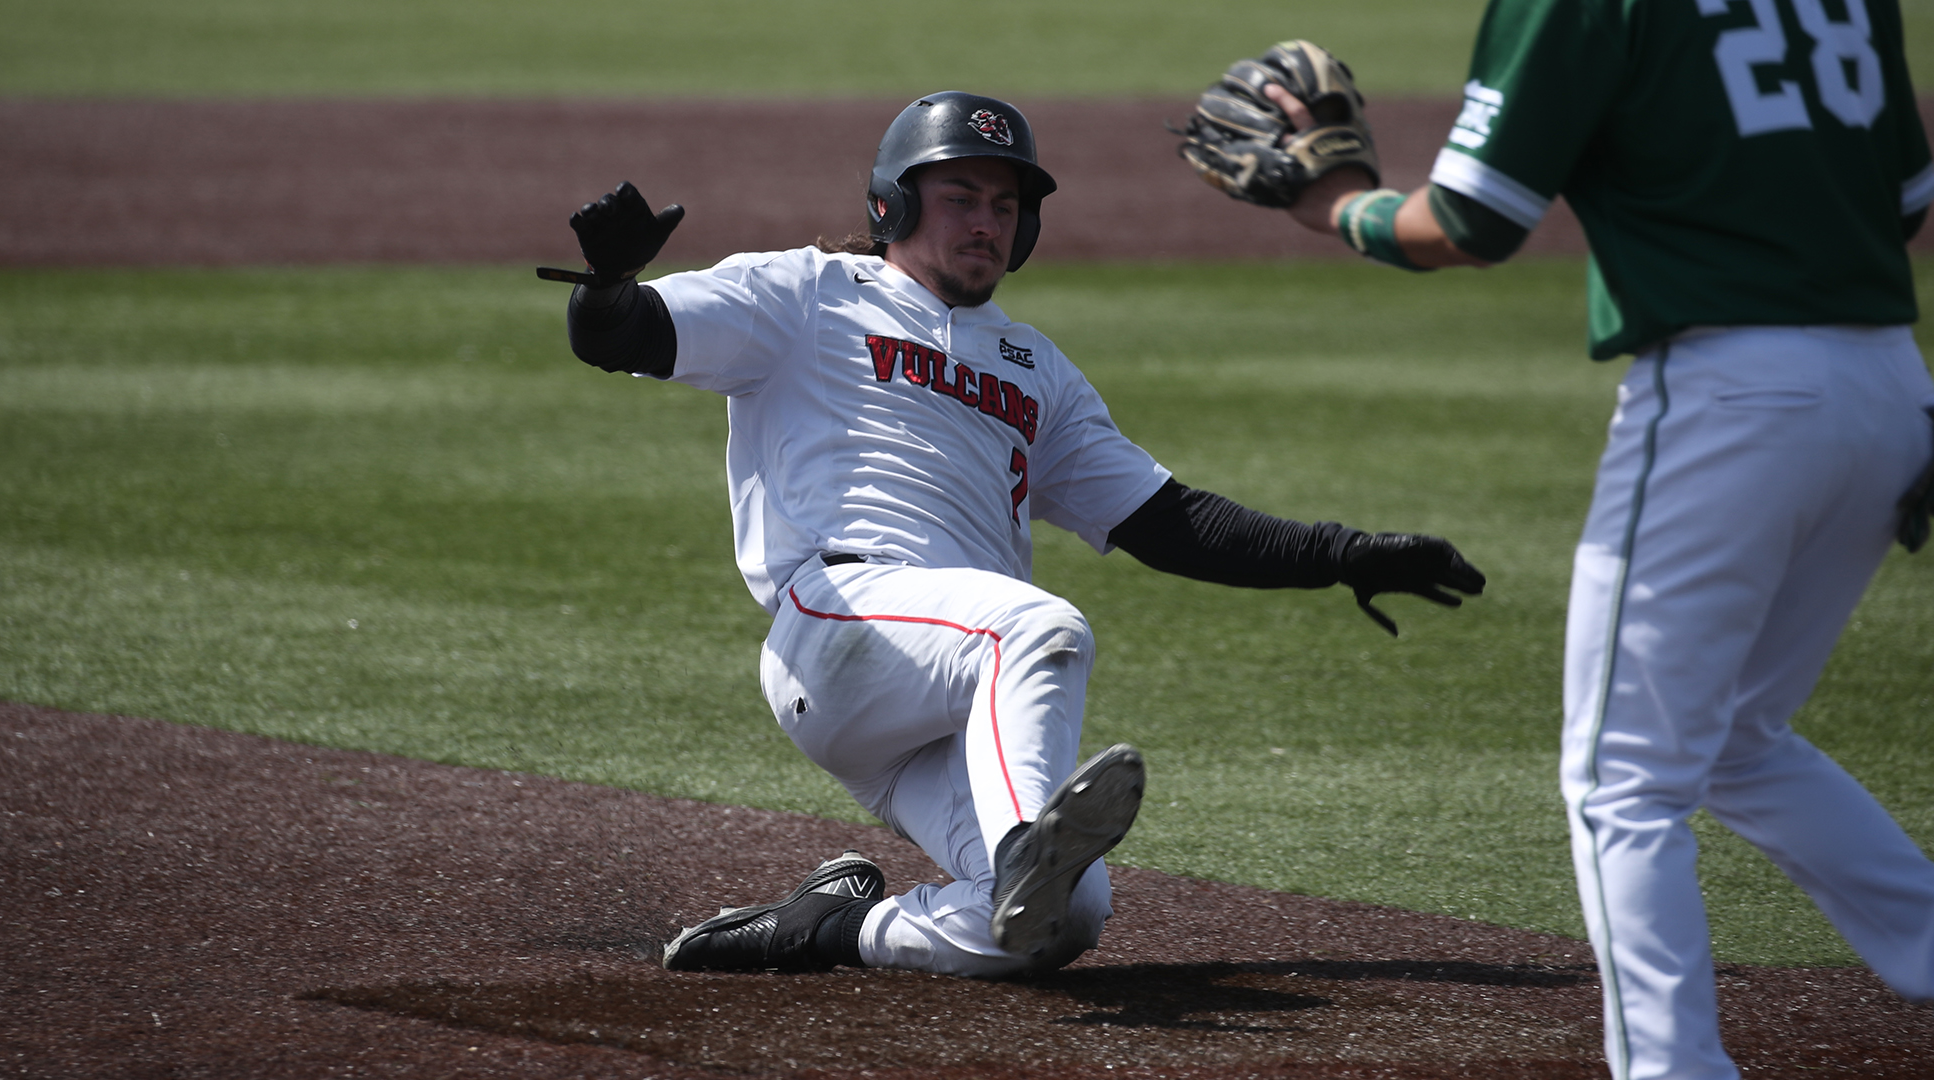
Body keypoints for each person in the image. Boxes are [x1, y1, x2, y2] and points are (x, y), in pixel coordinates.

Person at [556, 91, 1485, 979]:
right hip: (837, 624)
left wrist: (1340, 553)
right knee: (1038, 628)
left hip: (946, 690)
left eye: (1005, 204)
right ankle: (1017, 852)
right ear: (895, 201)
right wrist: (604, 286)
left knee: (1062, 920)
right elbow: (625, 334)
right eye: (960, 195)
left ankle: (828, 925)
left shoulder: (1036, 370)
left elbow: (1172, 524)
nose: (986, 220)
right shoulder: (808, 294)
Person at [1177, 17, 1934, 1079]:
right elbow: (1904, 204)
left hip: (1730, 396)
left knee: (1619, 781)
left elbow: (1471, 222)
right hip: (1893, 385)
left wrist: (1332, 202)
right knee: (1736, 736)